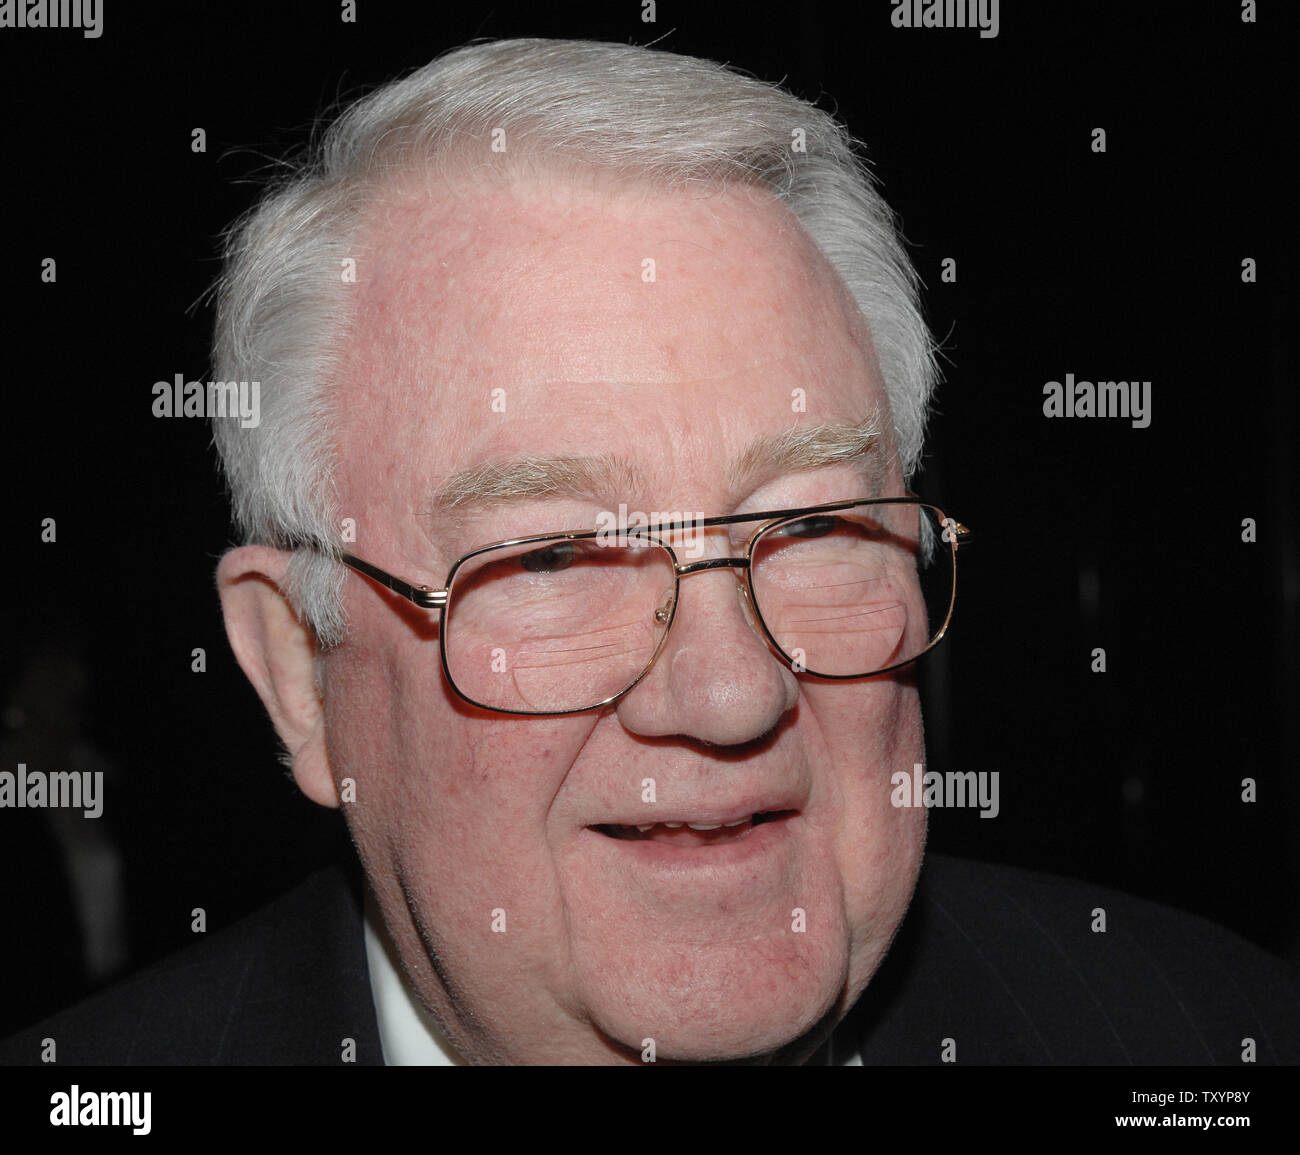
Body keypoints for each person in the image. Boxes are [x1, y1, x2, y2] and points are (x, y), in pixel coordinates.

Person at [3, 37, 1296, 1066]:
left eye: (809, 528)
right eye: (555, 559)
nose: (733, 693)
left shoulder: (1206, 1031)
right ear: (300, 673)